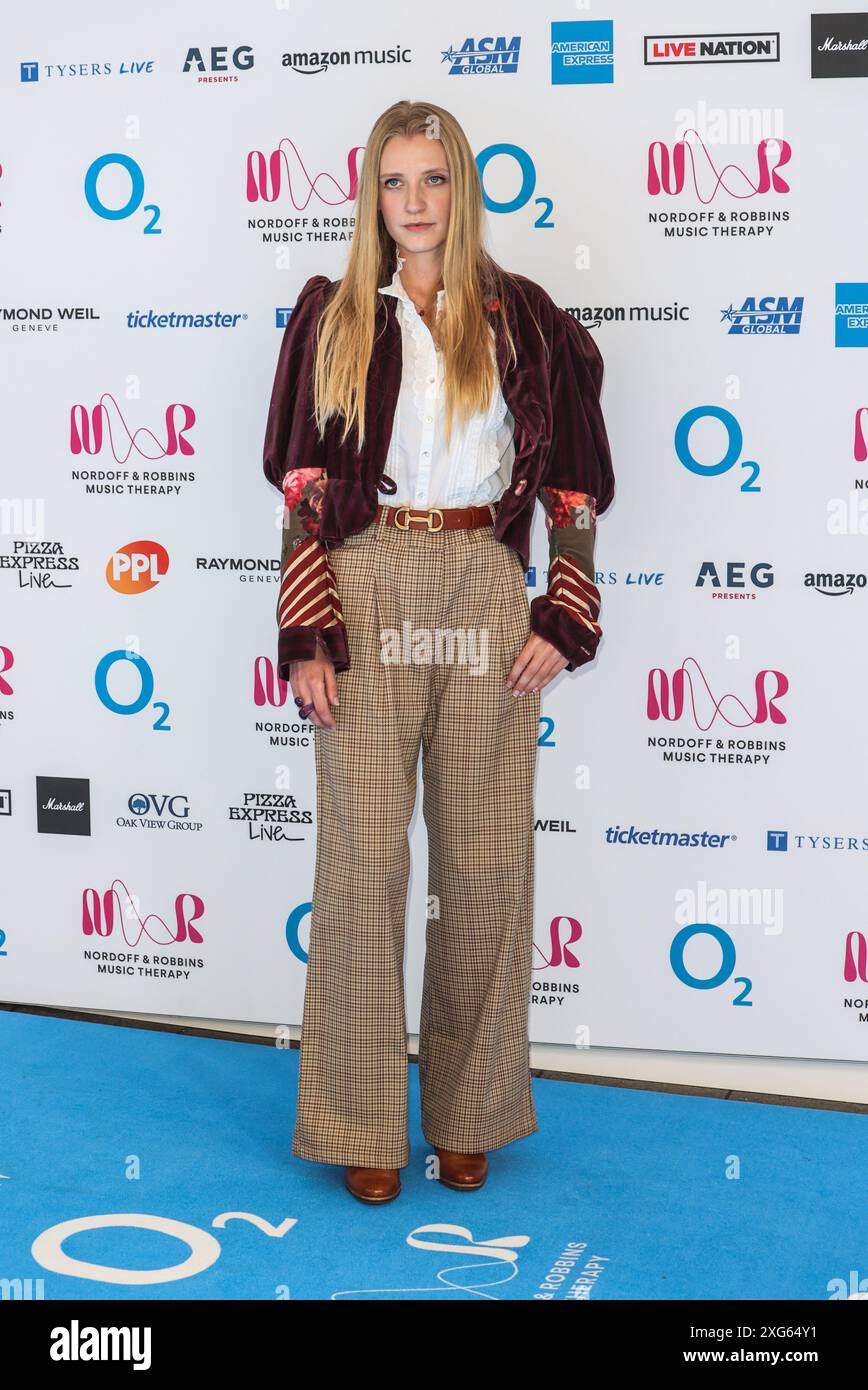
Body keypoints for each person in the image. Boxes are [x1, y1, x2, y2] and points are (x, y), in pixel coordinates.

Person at [262, 100, 614, 1204]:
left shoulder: (523, 318)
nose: (413, 203)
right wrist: (305, 626)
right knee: (364, 865)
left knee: (483, 864)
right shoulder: (334, 318)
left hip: (480, 582)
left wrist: (566, 603)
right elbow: (304, 484)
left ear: (463, 190)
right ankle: (362, 1120)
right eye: (393, 183)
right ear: (372, 196)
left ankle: (469, 1114)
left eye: (433, 181)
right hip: (365, 575)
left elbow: (573, 477)